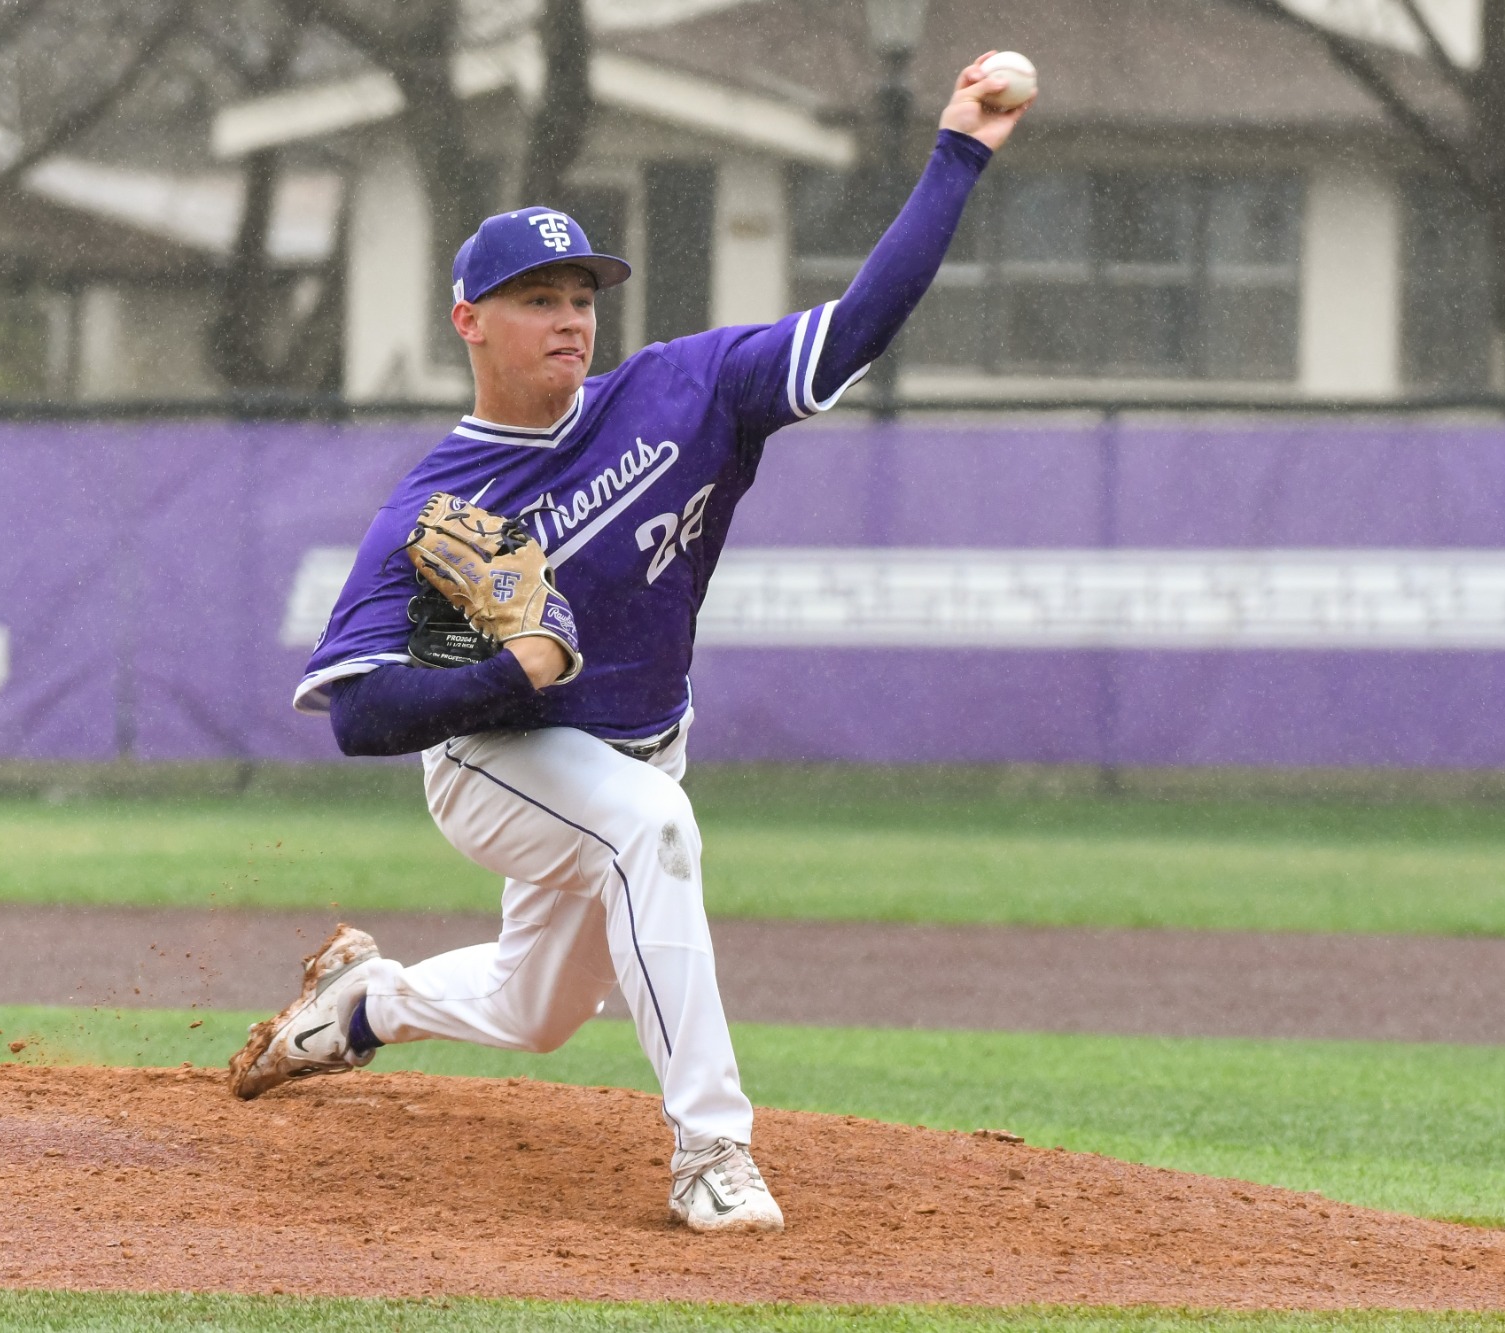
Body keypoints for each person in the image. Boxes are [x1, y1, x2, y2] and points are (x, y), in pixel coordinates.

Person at [228, 57, 1030, 1234]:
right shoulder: (441, 504)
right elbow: (358, 715)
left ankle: (360, 1005)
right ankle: (711, 1149)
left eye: (580, 295)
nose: (568, 317)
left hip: (639, 747)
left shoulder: (677, 391)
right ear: (470, 321)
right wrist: (509, 673)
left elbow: (856, 328)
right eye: (536, 297)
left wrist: (958, 147)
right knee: (651, 831)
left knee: (533, 1006)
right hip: (495, 761)